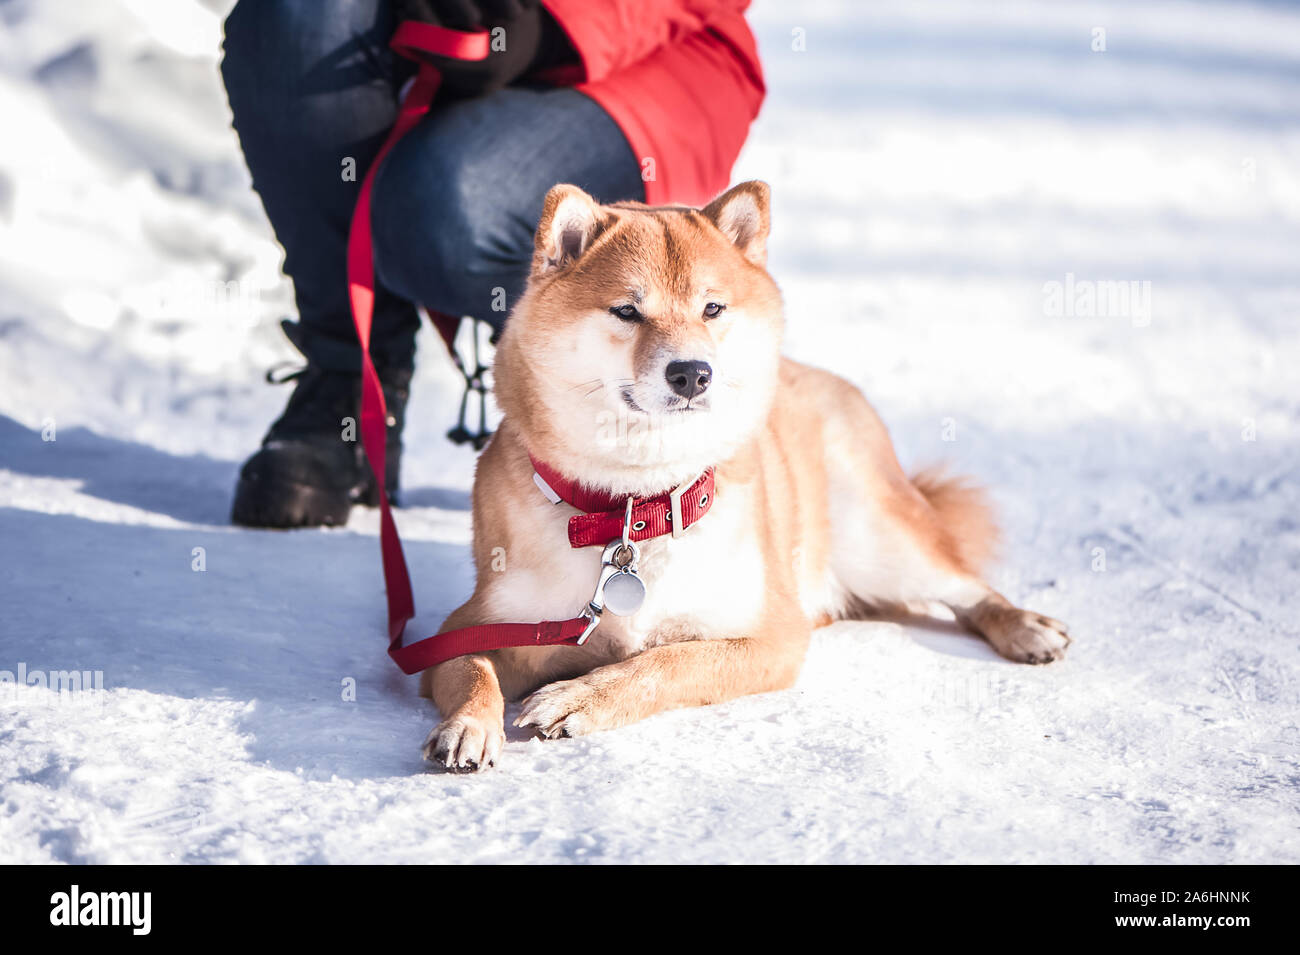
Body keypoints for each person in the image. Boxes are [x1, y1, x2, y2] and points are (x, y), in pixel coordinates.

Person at [220, 0, 765, 528]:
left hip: (644, 50)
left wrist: (553, 27)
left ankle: (577, 394)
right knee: (288, 14)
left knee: (448, 206)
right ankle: (351, 379)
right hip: (411, 35)